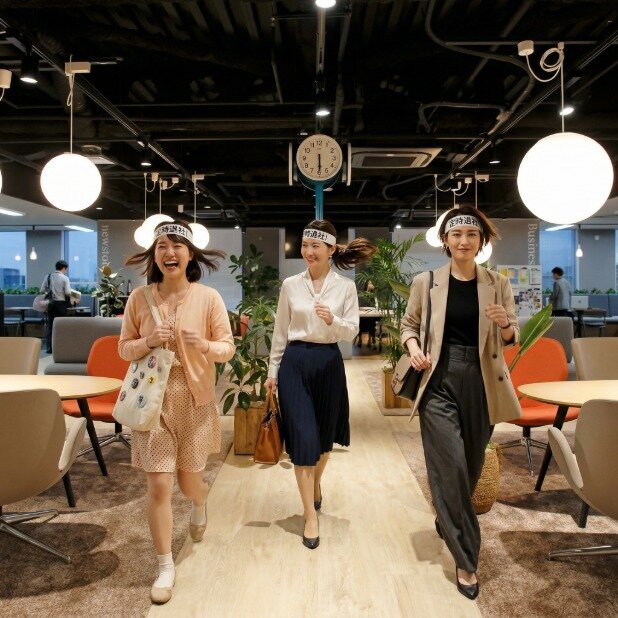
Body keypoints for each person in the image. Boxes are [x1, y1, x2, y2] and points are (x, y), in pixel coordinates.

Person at [400, 205, 521, 600]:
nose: (464, 241)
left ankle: (448, 520)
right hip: (438, 377)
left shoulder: (498, 283)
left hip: (482, 380)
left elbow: (512, 338)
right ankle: (467, 558)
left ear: (481, 241)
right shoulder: (426, 282)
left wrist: (505, 324)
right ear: (446, 241)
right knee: (449, 464)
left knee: (469, 466)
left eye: (471, 235)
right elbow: (408, 326)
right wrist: (414, 348)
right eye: (456, 234)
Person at [119, 220, 235, 604]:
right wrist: (148, 341)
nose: (170, 253)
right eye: (162, 247)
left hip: (195, 402)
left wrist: (204, 345)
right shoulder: (139, 298)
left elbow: (227, 348)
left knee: (189, 485)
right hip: (152, 402)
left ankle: (200, 502)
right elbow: (123, 348)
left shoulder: (208, 298)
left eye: (177, 246)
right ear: (154, 255)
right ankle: (165, 564)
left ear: (190, 254)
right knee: (159, 485)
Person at [265, 220, 376, 549]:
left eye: (315, 246)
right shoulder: (290, 285)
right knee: (303, 440)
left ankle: (315, 484)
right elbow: (280, 331)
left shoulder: (345, 287)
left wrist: (333, 320)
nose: (308, 251)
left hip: (329, 362)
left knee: (325, 441)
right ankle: (309, 515)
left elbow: (352, 330)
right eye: (305, 245)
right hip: (295, 363)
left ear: (331, 249)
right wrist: (272, 371)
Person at [40, 259, 72, 353]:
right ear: (64, 268)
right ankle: (60, 348)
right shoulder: (65, 278)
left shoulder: (48, 277)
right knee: (61, 326)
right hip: (61, 305)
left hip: (51, 305)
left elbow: (42, 290)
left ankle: (50, 348)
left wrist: (50, 292)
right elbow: (67, 292)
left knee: (50, 326)